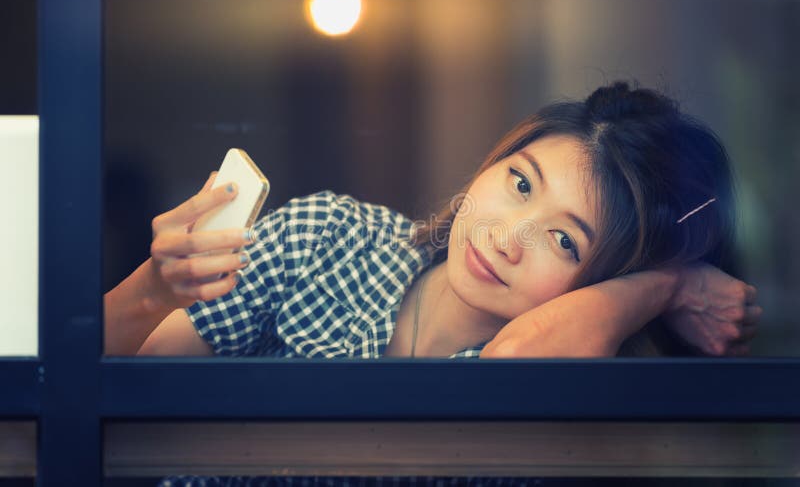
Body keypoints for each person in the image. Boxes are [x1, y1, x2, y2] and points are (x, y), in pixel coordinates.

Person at [104, 81, 762, 361]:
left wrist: (667, 282)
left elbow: (514, 363)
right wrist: (155, 289)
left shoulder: (565, 352)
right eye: (519, 181)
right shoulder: (330, 237)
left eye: (565, 239)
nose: (509, 237)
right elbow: (129, 361)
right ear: (490, 164)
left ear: (603, 285)